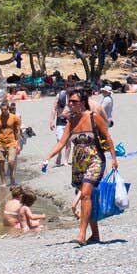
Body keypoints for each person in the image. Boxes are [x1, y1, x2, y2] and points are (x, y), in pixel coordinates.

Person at [40, 87, 115, 246]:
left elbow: (107, 137)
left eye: (74, 101)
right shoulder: (71, 122)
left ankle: (81, 235)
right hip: (79, 163)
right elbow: (61, 143)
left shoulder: (94, 118)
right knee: (88, 198)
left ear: (82, 103)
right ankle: (95, 235)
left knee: (86, 194)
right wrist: (47, 158)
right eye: (70, 101)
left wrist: (114, 159)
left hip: (95, 160)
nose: (71, 104)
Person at [0, 99, 23, 185]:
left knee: (11, 161)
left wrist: (18, 143)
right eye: (2, 110)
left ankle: (12, 178)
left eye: (5, 109)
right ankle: (3, 182)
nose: (3, 111)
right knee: (1, 163)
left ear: (8, 109)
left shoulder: (14, 118)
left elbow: (17, 131)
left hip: (11, 142)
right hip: (0, 143)